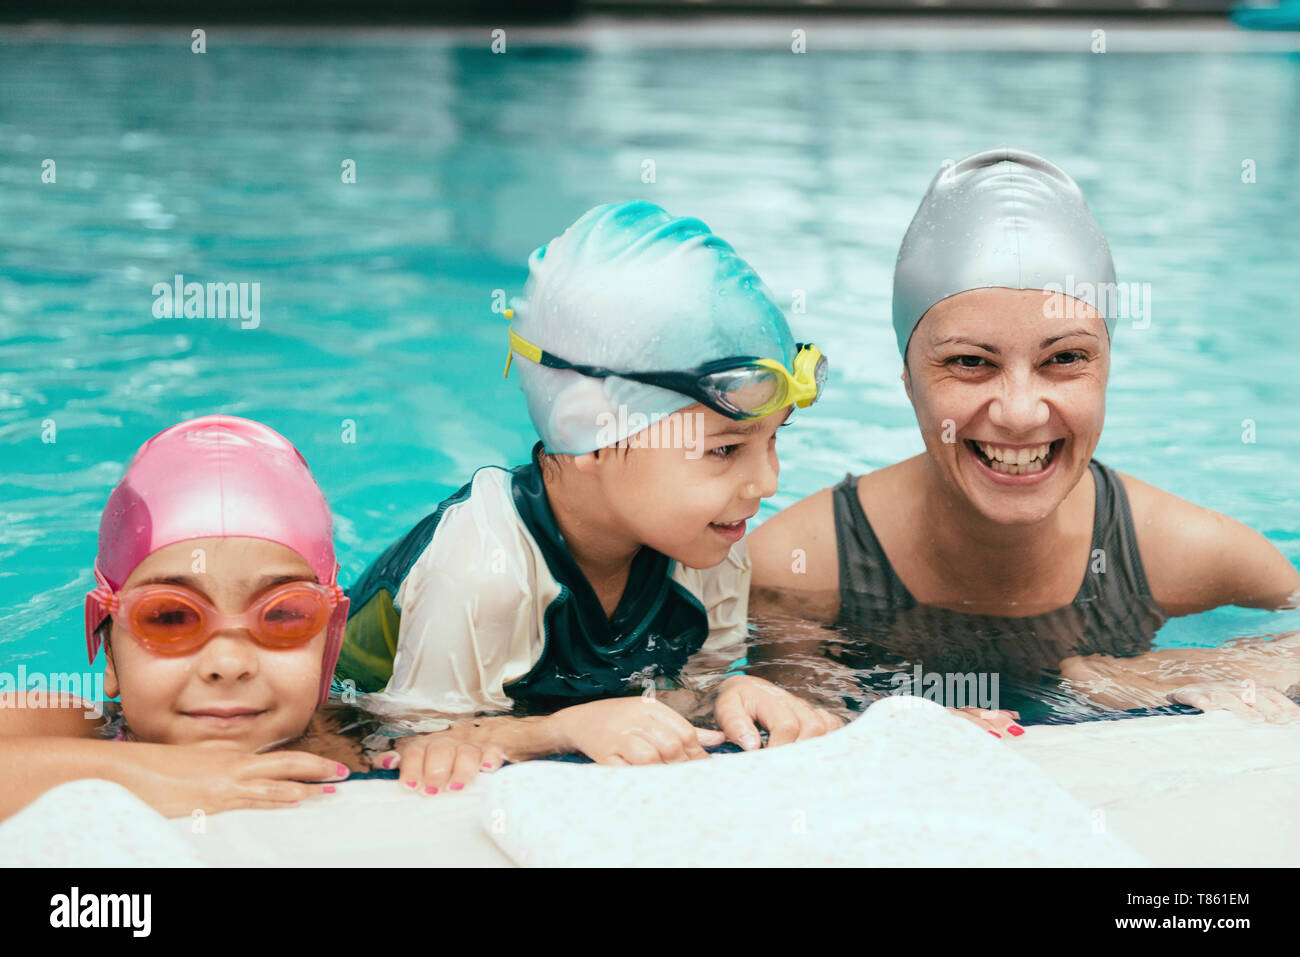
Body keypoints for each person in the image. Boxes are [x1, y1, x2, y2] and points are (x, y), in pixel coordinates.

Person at [748, 147, 1300, 728]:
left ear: (1108, 369)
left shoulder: (1202, 558)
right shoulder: (802, 568)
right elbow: (788, 739)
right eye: (969, 362)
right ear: (909, 383)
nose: (1018, 413)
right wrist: (900, 728)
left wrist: (1135, 677)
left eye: (1064, 358)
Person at [336, 200, 844, 792]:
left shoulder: (709, 539)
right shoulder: (480, 572)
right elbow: (408, 750)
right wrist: (562, 730)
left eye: (774, 439)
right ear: (590, 432)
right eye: (725, 450)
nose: (767, 484)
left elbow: (670, 699)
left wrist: (724, 696)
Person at [0, 415, 498, 820]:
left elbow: (501, 736)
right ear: (108, 651)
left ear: (327, 647)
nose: (229, 662)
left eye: (282, 615)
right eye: (171, 617)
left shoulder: (376, 740)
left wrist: (475, 750)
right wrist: (154, 771)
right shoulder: (74, 727)